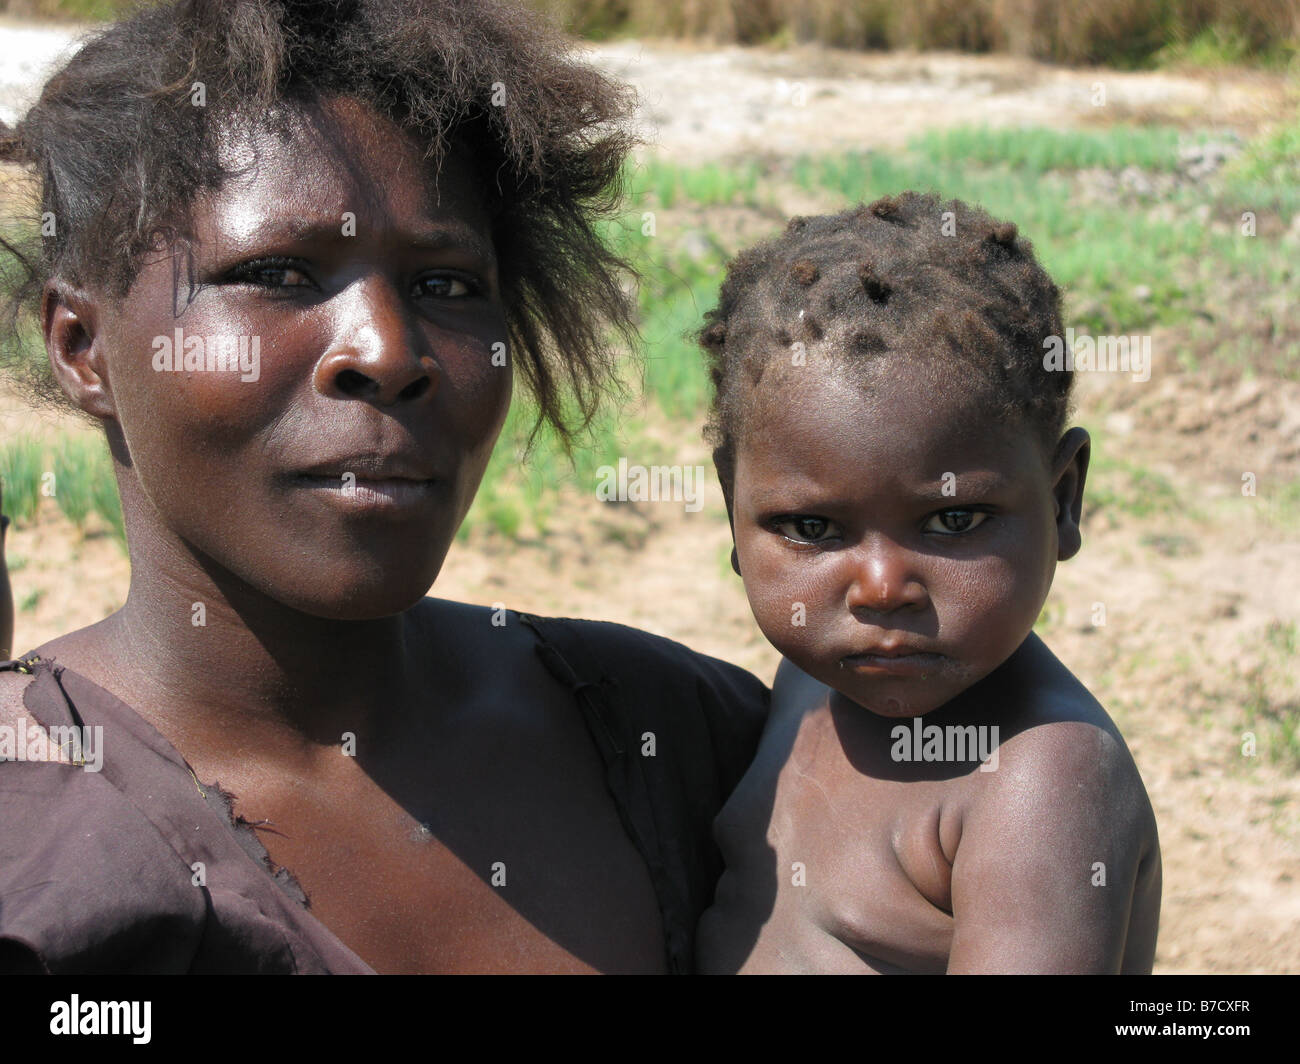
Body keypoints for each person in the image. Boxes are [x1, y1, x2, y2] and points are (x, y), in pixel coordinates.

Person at [0, 0, 766, 974]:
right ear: (83, 347)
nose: (389, 351)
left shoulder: (677, 733)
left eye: (446, 284)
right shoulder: (30, 839)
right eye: (277, 272)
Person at [694, 194, 1162, 973]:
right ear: (732, 513)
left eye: (953, 521)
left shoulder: (1039, 780)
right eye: (812, 529)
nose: (881, 589)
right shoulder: (807, 685)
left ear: (1062, 499)